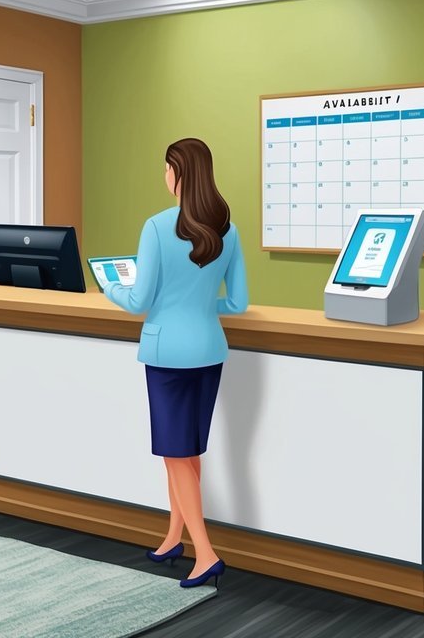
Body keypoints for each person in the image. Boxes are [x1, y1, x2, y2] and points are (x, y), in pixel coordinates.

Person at [103, 137, 248, 589]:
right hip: (209, 350)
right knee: (185, 453)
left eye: (166, 169)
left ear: (178, 174)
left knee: (175, 454)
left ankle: (205, 554)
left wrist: (111, 286)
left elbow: (139, 299)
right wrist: (202, 306)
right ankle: (172, 537)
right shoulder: (229, 229)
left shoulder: (156, 227)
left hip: (167, 354)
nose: (163, 177)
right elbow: (238, 302)